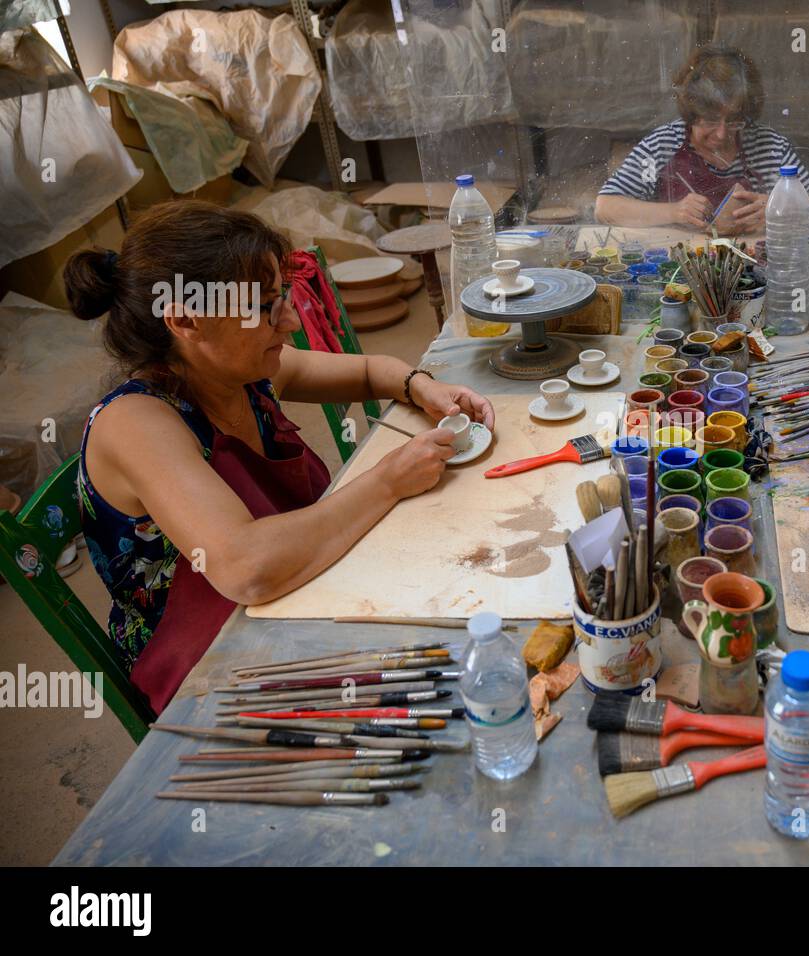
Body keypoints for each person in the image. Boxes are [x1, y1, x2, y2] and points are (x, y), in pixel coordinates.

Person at [63, 201, 495, 714]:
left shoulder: (243, 369)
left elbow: (367, 371)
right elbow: (247, 568)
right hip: (212, 664)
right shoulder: (136, 423)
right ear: (184, 319)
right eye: (267, 307)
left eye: (283, 296)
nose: (289, 320)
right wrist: (387, 481)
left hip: (296, 587)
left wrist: (421, 386)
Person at [595, 45, 809, 235]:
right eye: (710, 120)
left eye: (734, 120)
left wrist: (778, 207)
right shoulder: (663, 144)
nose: (722, 134)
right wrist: (674, 211)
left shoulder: (768, 145)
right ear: (691, 113)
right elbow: (605, 206)